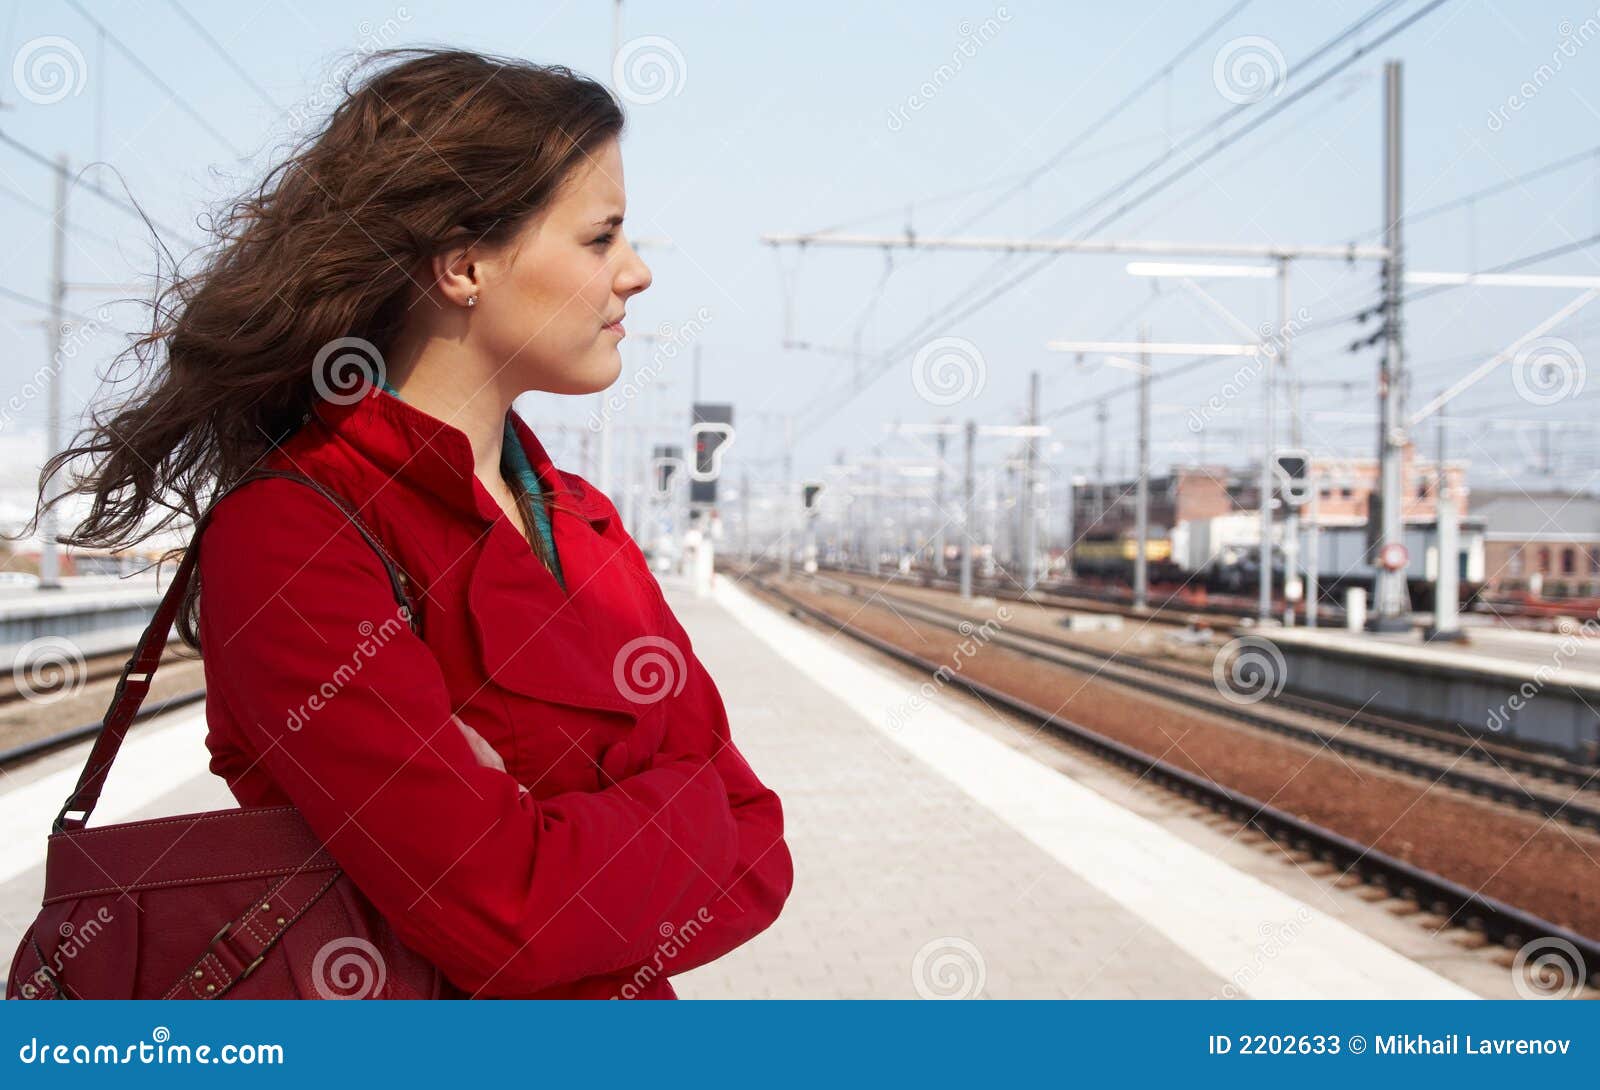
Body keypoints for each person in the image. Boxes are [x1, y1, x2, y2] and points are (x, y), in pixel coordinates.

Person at [25, 48, 792, 999]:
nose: (635, 274)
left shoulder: (581, 522)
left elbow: (761, 844)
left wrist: (551, 834)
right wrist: (680, 808)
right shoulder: (291, 537)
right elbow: (508, 918)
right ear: (466, 263)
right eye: (601, 239)